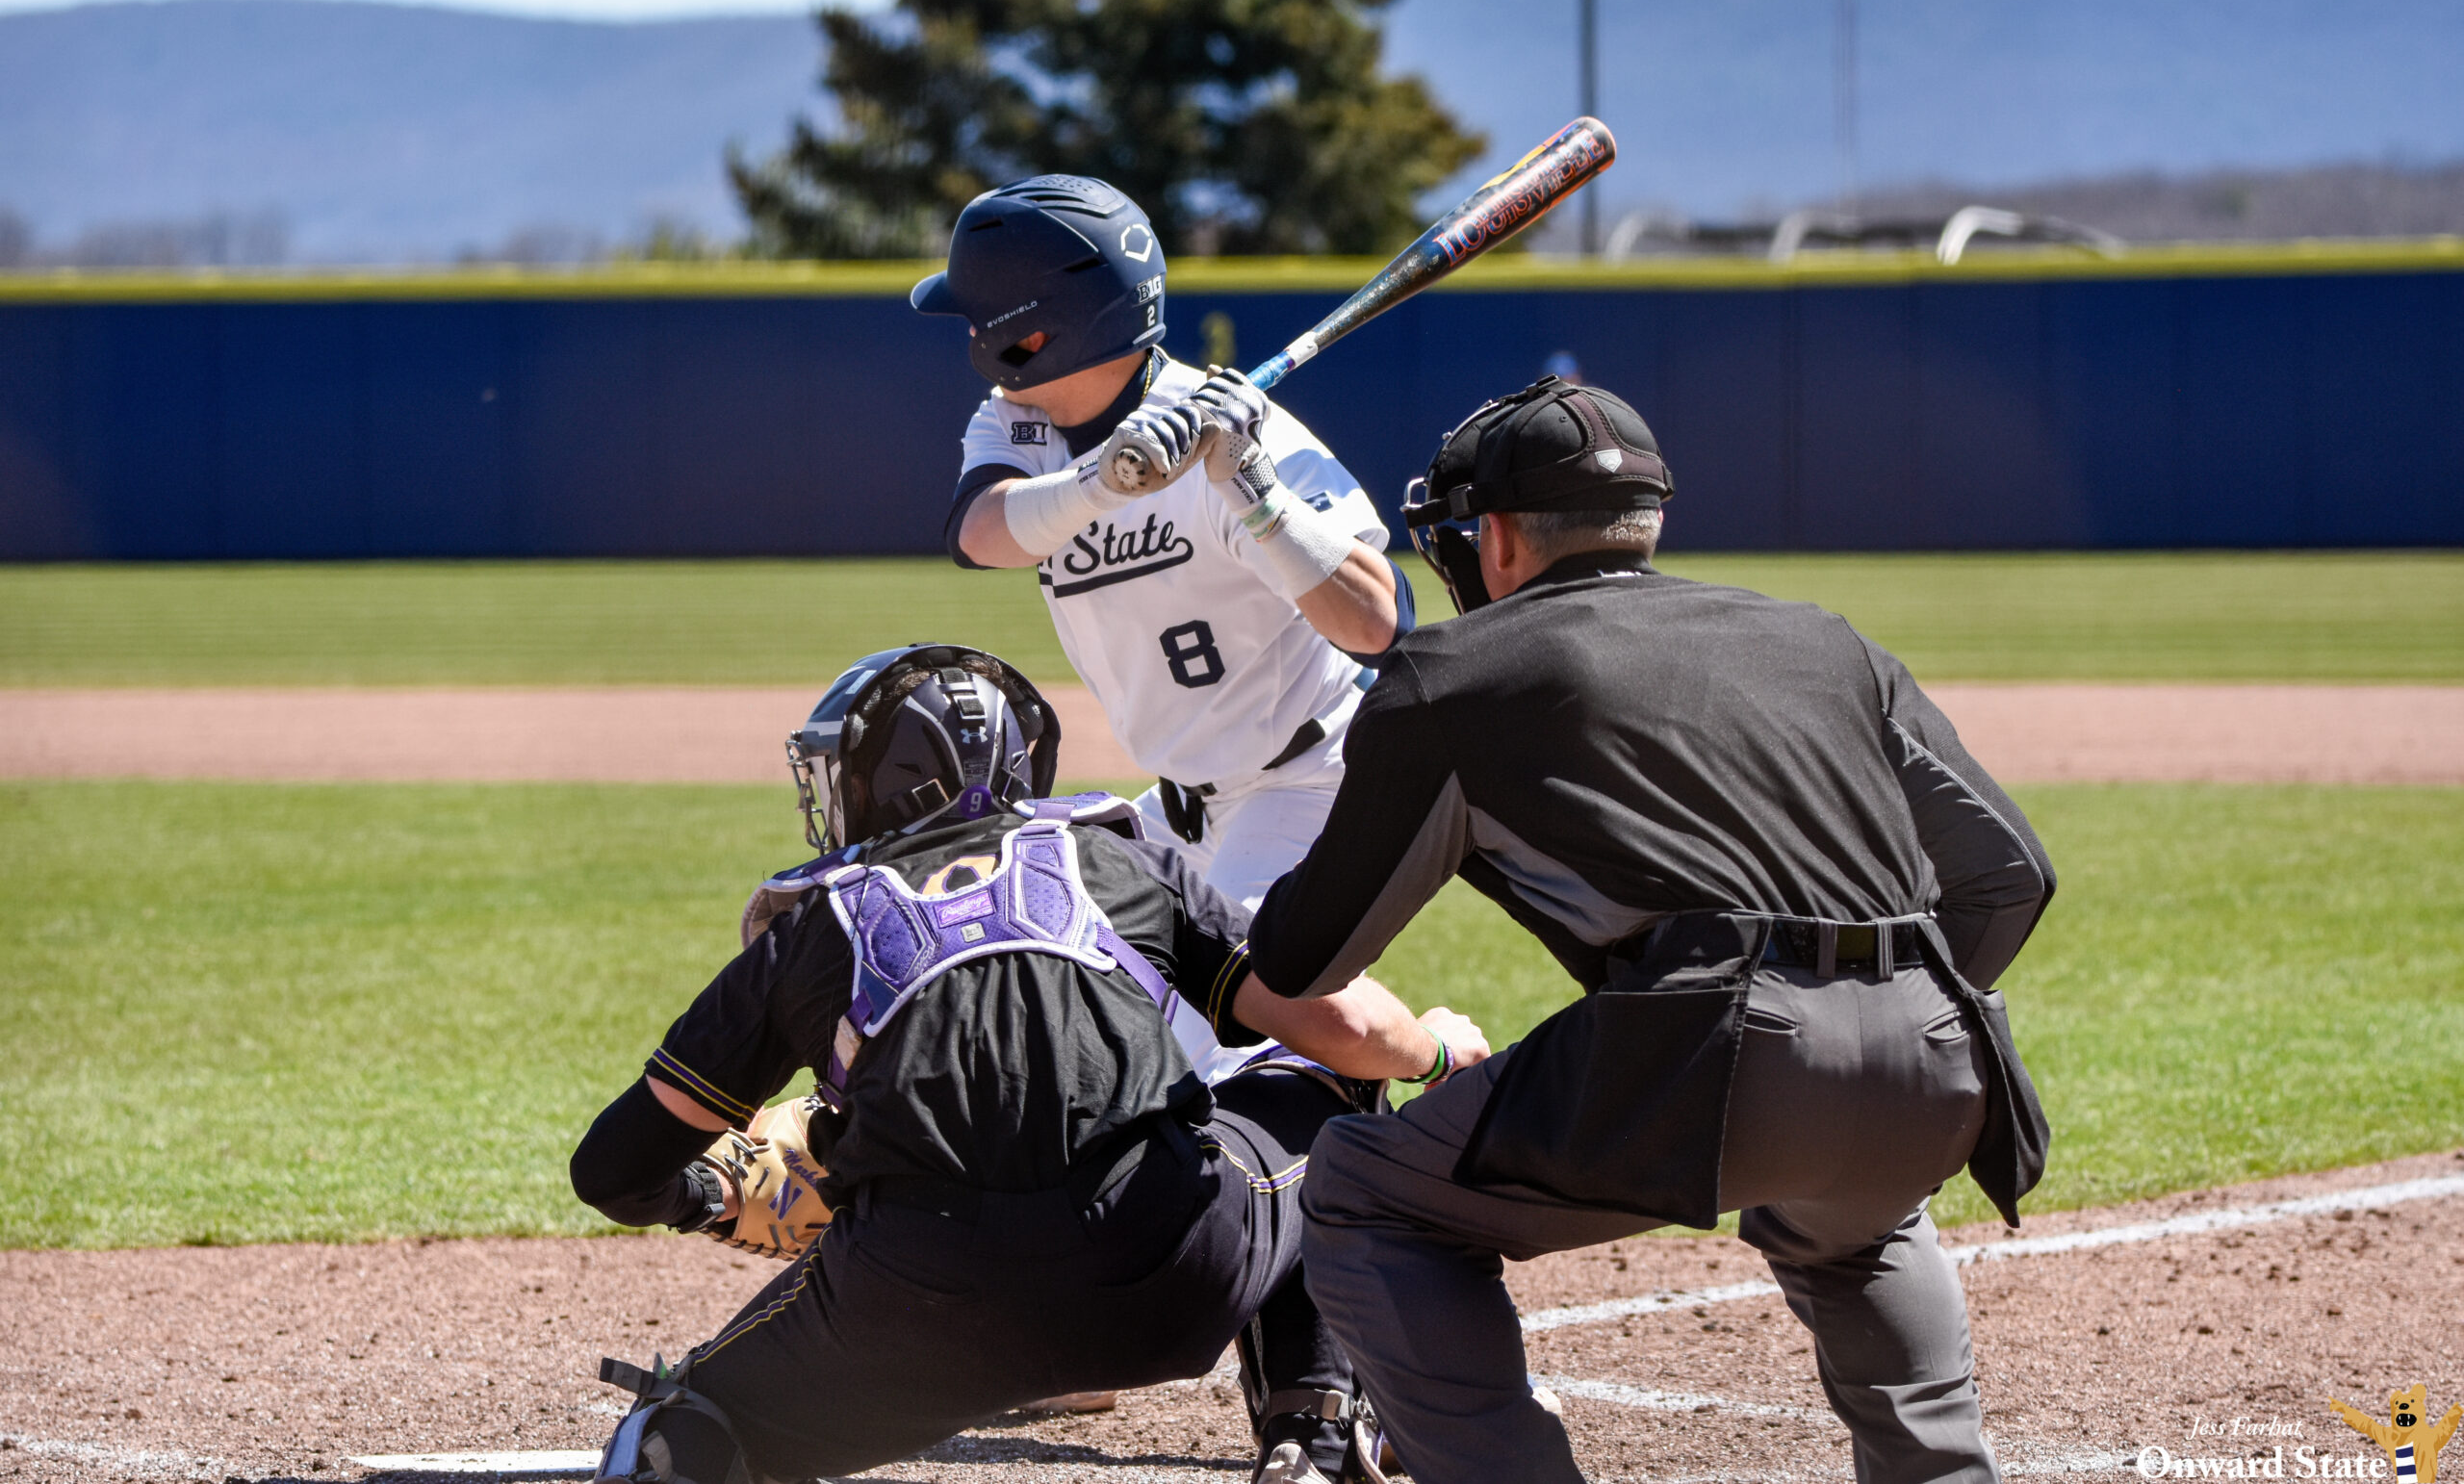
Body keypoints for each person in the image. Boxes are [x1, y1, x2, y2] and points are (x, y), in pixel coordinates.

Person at [1240, 378, 2058, 1484]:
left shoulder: (1452, 674)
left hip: (1715, 1043)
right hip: (1938, 1048)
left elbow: (1302, 960)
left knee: (1366, 1191)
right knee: (1855, 1223)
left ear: (1494, 538)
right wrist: (1865, 1014)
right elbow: (2010, 875)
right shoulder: (1823, 638)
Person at [570, 643, 1489, 1484]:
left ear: (886, 781)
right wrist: (1440, 1045)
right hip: (1169, 1271)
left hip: (916, 1317)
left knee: (684, 1428)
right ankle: (1313, 1436)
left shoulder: (817, 924)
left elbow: (611, 1170)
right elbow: (1339, 1025)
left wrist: (694, 1193)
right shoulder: (1114, 862)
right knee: (1328, 1086)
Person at [917, 173, 1412, 918]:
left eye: (979, 317)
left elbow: (1382, 624)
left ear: (1035, 333)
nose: (968, 333)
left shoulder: (1251, 440)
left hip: (1308, 781)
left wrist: (1252, 488)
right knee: (1054, 974)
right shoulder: (1020, 422)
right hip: (1178, 809)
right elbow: (981, 533)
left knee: (1226, 1020)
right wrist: (1105, 480)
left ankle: (1442, 1042)